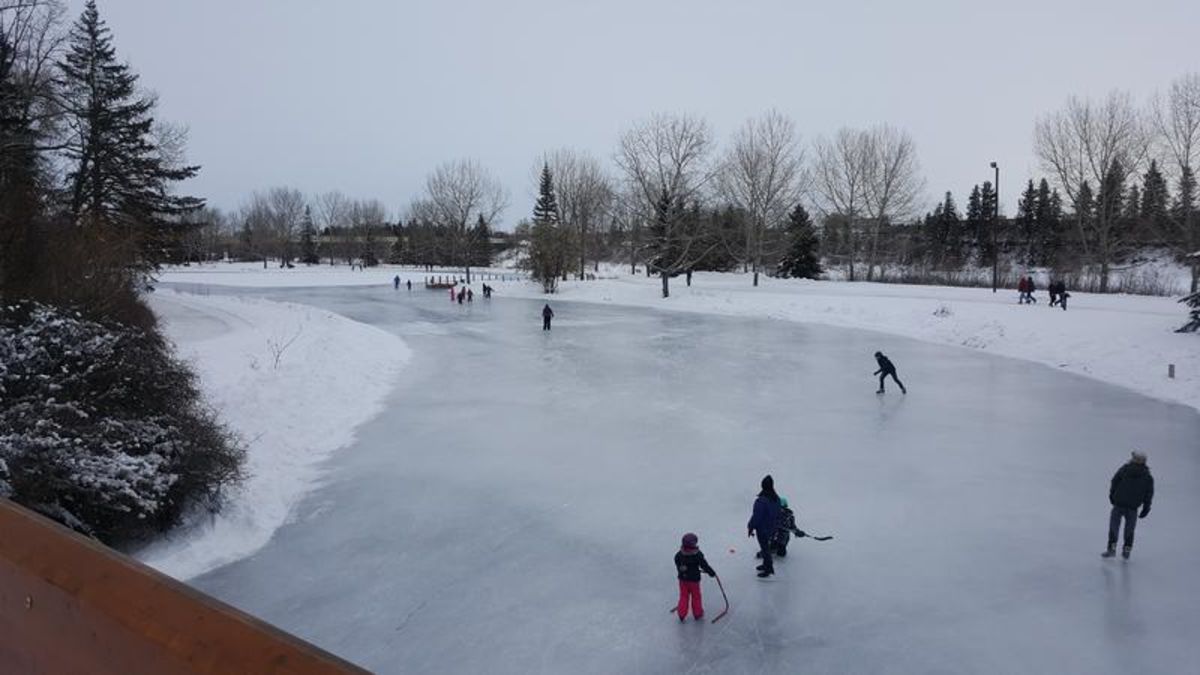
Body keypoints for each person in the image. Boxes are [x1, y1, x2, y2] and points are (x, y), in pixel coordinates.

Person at [1104, 451, 1154, 560]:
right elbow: (1148, 494)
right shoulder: (1147, 476)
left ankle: (1113, 549)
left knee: (1116, 527)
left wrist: (1112, 495)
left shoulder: (1126, 469)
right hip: (1130, 507)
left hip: (1122, 505)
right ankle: (1125, 550)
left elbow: (1114, 481)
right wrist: (1146, 507)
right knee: (1128, 529)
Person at [674, 532, 716, 622]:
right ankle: (697, 613)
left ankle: (681, 614)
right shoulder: (697, 554)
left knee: (683, 596)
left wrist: (681, 569)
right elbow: (704, 565)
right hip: (694, 580)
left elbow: (677, 561)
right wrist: (711, 573)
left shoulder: (679, 554)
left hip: (683, 579)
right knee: (696, 596)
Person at [747, 475, 782, 577]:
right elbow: (778, 514)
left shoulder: (761, 501)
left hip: (763, 529)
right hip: (772, 528)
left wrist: (750, 526)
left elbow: (756, 516)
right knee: (766, 547)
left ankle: (769, 568)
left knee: (765, 548)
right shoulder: (777, 498)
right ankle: (766, 564)